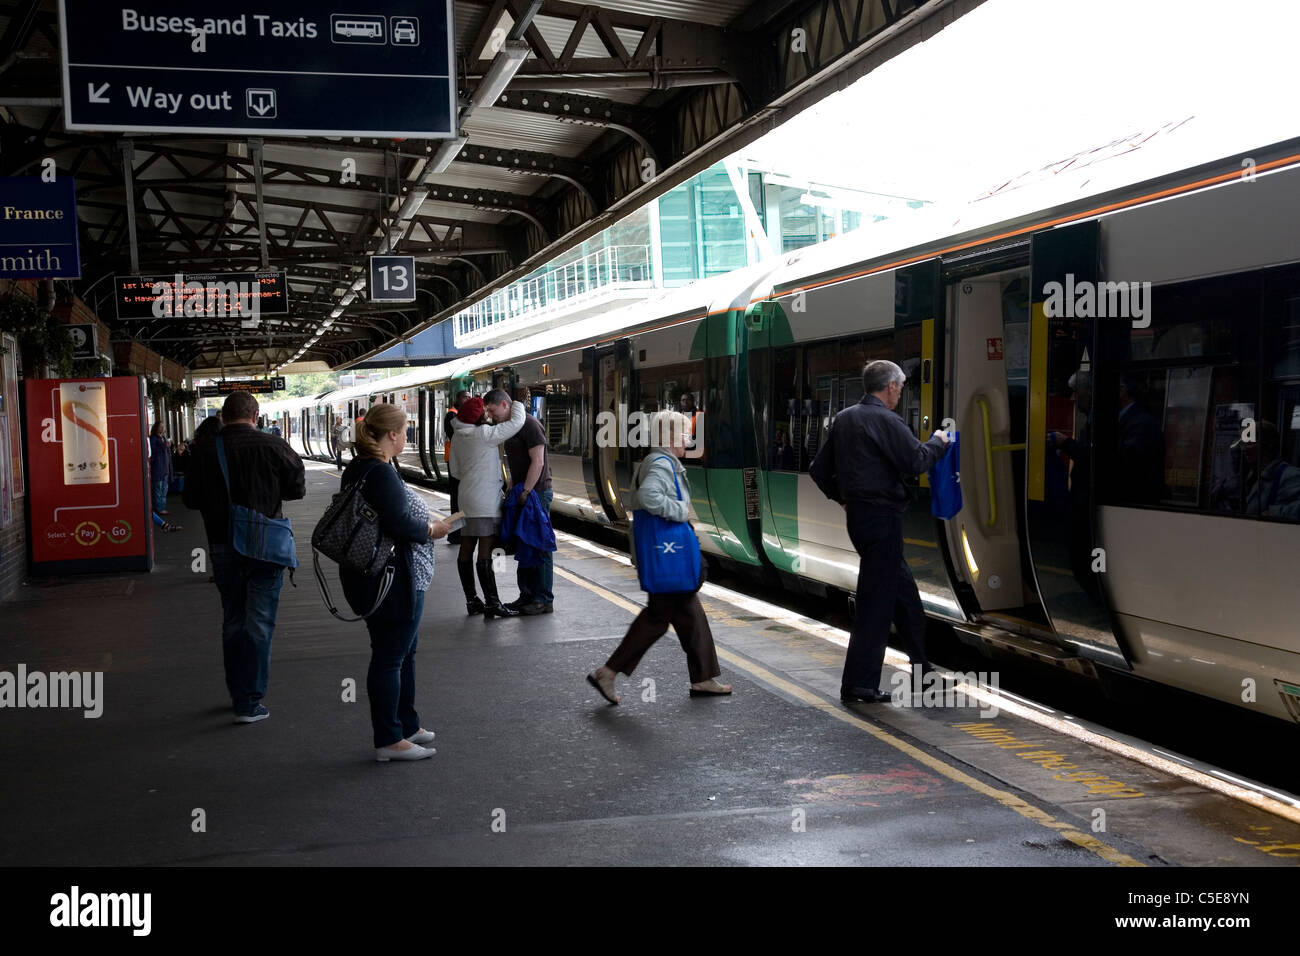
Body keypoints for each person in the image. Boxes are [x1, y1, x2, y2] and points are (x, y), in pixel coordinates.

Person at [809, 360, 952, 704]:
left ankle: (923, 671)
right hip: (882, 518)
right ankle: (858, 685)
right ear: (889, 386)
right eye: (901, 387)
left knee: (904, 595)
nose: (901, 393)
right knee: (876, 604)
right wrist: (939, 441)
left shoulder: (845, 419)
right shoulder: (887, 420)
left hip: (860, 518)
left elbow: (818, 470)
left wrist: (843, 499)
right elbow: (916, 461)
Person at [587, 411, 732, 704]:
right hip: (667, 555)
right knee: (657, 618)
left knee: (690, 613)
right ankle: (609, 671)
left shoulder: (661, 462)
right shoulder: (661, 464)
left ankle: (703, 677)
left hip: (664, 556)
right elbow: (650, 497)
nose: (688, 440)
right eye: (684, 434)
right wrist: (680, 512)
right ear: (670, 438)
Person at [182, 391, 306, 724]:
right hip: (266, 545)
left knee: (234, 619)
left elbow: (191, 498)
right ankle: (250, 701)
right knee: (260, 622)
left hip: (223, 545)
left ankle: (240, 696)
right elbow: (297, 489)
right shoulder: (274, 446)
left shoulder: (205, 449)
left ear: (223, 416)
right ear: (255, 415)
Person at [341, 403, 453, 762]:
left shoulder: (366, 467)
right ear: (392, 434)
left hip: (385, 575)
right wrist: (432, 529)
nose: (407, 436)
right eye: (405, 430)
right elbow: (400, 524)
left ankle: (407, 725)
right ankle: (389, 738)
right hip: (391, 577)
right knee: (391, 656)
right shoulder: (379, 472)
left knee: (404, 652)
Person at [448, 392, 526, 618]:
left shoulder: (457, 436)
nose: (488, 414)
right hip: (484, 501)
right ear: (478, 418)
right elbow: (517, 421)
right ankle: (492, 602)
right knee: (485, 552)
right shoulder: (484, 434)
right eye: (485, 412)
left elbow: (455, 472)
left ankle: (472, 600)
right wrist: (517, 402)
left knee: (465, 548)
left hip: (465, 499)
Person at [494, 385, 554, 615]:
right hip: (523, 491)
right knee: (526, 544)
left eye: (493, 412)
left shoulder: (530, 425)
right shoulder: (511, 427)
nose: (491, 417)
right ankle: (527, 594)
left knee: (539, 544)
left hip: (537, 493)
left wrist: (527, 491)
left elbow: (537, 461)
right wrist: (511, 485)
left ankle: (543, 599)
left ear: (504, 404)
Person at [443, 390, 469, 546]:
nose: (467, 399)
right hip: (454, 461)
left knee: (459, 499)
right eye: (464, 397)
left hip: (458, 460)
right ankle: (453, 533)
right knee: (456, 500)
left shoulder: (457, 415)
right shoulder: (451, 416)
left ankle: (457, 532)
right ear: (457, 399)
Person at [148, 421, 172, 516]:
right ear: (156, 428)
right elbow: (152, 453)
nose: (162, 429)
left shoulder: (163, 438)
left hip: (165, 469)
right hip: (158, 469)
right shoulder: (153, 439)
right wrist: (164, 446)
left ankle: (161, 507)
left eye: (163, 426)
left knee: (164, 490)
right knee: (158, 489)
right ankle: (159, 509)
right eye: (160, 427)